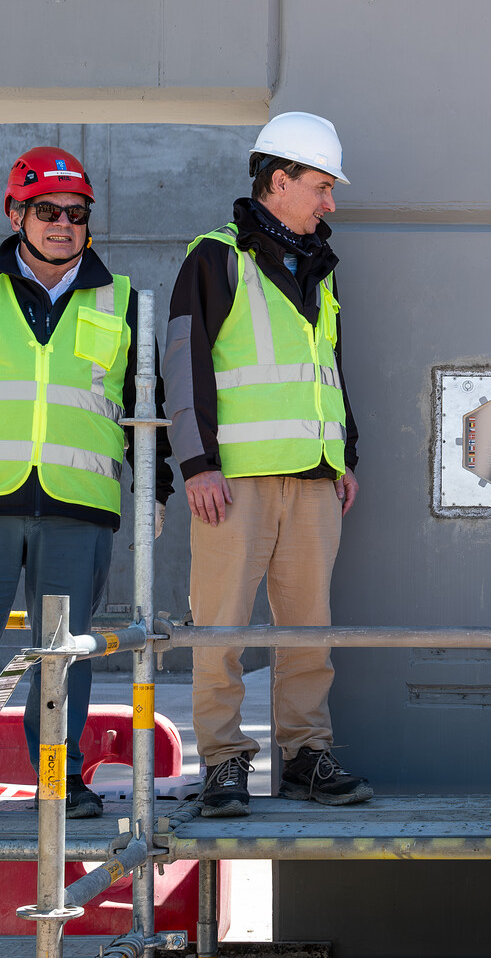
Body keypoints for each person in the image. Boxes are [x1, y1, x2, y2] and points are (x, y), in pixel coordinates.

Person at [163, 111, 372, 816]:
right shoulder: (215, 257)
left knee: (308, 628)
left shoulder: (317, 268)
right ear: (277, 182)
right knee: (220, 628)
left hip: (314, 477)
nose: (330, 202)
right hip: (236, 482)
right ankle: (222, 763)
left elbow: (329, 370)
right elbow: (182, 362)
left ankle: (305, 755)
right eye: (320, 187)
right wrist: (196, 464)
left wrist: (345, 456)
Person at [0, 145, 173, 817]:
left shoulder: (121, 298)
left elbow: (142, 407)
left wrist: (152, 489)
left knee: (61, 654)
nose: (62, 224)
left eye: (76, 213)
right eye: (46, 210)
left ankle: (57, 777)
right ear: (16, 212)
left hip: (80, 505)